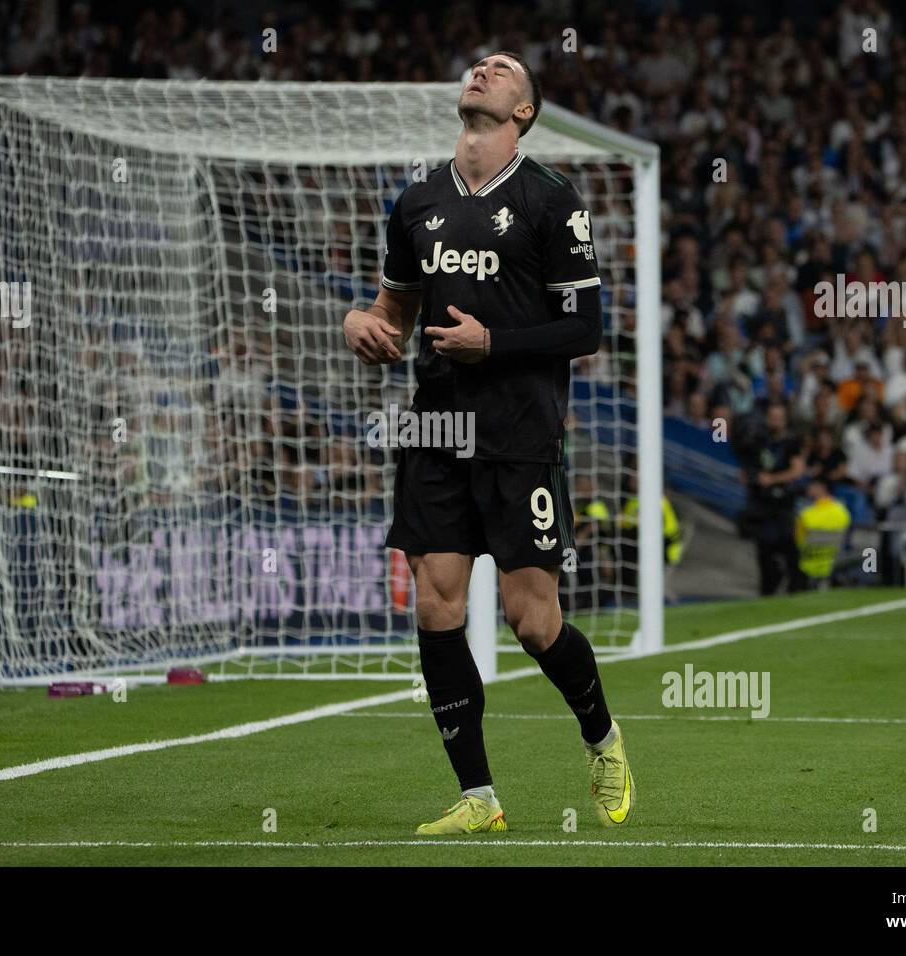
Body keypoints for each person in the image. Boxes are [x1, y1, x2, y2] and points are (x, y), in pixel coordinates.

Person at [342, 52, 631, 835]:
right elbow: (393, 309)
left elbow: (587, 328)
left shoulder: (553, 201)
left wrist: (492, 342)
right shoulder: (417, 200)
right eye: (477, 66)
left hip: (519, 432)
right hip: (433, 425)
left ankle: (601, 734)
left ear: (523, 111)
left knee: (531, 620)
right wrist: (361, 326)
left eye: (501, 71)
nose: (482, 72)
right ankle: (479, 798)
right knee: (436, 605)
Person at [741, 401, 806, 594]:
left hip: (784, 502)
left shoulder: (791, 443)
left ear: (785, 421)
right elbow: (746, 471)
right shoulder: (758, 442)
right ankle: (768, 587)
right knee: (764, 548)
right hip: (761, 503)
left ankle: (796, 585)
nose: (775, 421)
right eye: (772, 417)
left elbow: (797, 471)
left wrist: (772, 479)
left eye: (779, 418)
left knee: (788, 544)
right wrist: (753, 478)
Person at [795, 477, 852, 585]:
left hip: (808, 559)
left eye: (811, 486)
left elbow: (798, 542)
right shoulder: (842, 511)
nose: (808, 489)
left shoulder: (805, 515)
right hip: (835, 557)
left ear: (821, 488)